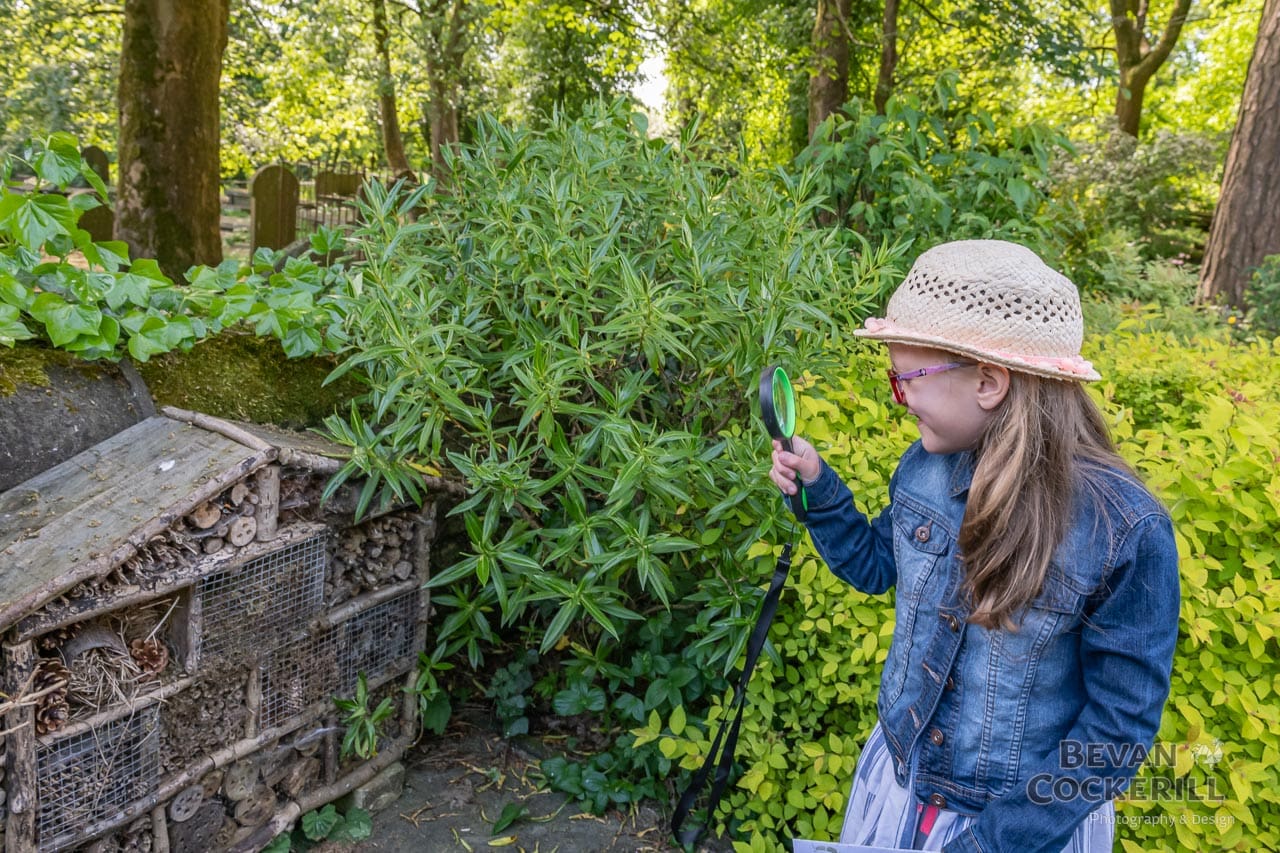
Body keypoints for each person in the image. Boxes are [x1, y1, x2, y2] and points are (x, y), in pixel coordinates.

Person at [769, 240, 1179, 852]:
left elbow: (1115, 733)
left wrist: (994, 842)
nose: (898, 400)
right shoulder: (926, 468)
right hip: (906, 786)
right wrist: (822, 494)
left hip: (1019, 828)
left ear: (989, 382)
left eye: (905, 380)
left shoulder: (1123, 531)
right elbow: (881, 566)